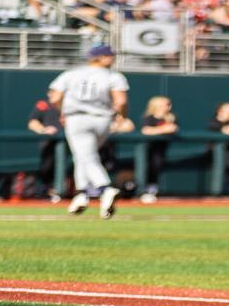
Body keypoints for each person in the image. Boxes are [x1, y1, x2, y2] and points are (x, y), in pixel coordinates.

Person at [48, 44, 128, 219]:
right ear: (100, 57)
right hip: (103, 119)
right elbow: (120, 101)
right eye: (110, 55)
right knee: (83, 155)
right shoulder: (114, 76)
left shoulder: (72, 73)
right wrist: (122, 117)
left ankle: (105, 188)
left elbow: (54, 97)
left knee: (86, 156)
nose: (112, 58)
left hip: (77, 118)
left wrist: (62, 111)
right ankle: (81, 195)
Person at [27, 90, 65, 202]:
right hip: (49, 144)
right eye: (51, 92)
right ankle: (48, 192)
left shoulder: (70, 106)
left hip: (70, 144)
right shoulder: (43, 105)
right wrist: (44, 130)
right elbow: (32, 122)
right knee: (47, 167)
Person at [139, 96, 179, 204]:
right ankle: (145, 190)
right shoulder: (149, 117)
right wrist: (163, 129)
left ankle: (152, 189)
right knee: (149, 166)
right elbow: (146, 130)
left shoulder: (171, 117)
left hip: (162, 150)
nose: (169, 107)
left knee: (158, 164)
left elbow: (174, 128)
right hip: (148, 149)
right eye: (166, 104)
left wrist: (169, 127)